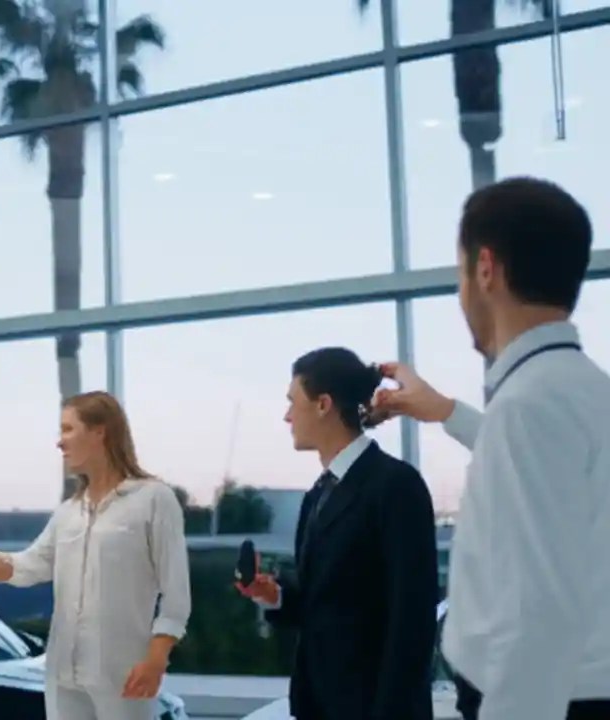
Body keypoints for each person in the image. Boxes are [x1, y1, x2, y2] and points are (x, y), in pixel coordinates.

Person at [368, 177, 610, 720]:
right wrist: (443, 409)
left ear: (485, 269)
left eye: (459, 274)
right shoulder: (585, 392)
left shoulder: (528, 406)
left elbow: (535, 626)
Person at [0, 390, 191, 720]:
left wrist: (156, 659)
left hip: (123, 672)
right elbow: (33, 565)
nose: (60, 442)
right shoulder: (68, 512)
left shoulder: (153, 499)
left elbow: (176, 593)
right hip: (63, 674)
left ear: (100, 432)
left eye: (68, 429)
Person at [235, 347, 439, 720]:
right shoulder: (317, 493)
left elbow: (412, 621)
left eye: (292, 402)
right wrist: (278, 596)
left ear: (323, 404)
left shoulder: (396, 486)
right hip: (320, 704)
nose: (287, 416)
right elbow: (328, 603)